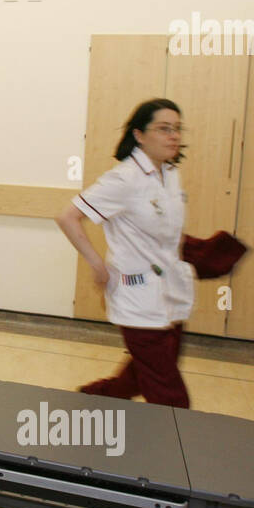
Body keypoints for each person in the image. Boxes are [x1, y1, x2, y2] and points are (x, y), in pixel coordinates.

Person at [55, 98, 197, 408]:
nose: (173, 135)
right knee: (168, 390)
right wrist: (96, 264)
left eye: (177, 129)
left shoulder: (170, 173)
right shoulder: (123, 180)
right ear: (139, 135)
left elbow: (167, 233)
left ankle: (93, 401)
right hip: (138, 296)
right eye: (163, 128)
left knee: (142, 372)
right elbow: (67, 216)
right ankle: (175, 444)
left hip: (171, 291)